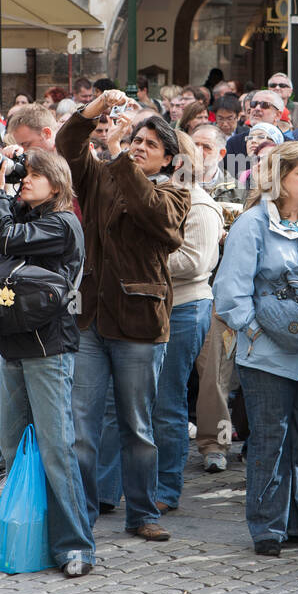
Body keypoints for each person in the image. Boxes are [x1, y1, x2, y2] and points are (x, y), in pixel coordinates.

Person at [57, 88, 191, 541]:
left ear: (169, 160)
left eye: (151, 145)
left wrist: (118, 156)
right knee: (82, 427)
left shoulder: (175, 195)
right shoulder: (100, 176)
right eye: (136, 139)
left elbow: (154, 218)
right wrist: (91, 112)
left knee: (137, 425)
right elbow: (67, 150)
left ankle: (142, 512)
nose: (139, 146)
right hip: (92, 319)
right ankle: (82, 511)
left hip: (139, 323)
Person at [214, 142, 298, 555]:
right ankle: (267, 528)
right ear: (278, 180)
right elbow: (230, 295)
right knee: (269, 442)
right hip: (267, 358)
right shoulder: (251, 225)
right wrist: (256, 334)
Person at [0, 144, 95, 573]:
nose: (24, 180)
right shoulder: (30, 215)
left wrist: (3, 189)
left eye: (33, 175)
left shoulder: (62, 224)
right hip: (14, 346)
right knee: (13, 446)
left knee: (56, 448)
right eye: (25, 175)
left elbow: (2, 236)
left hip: (49, 350)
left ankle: (76, 546)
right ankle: (35, 537)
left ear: (57, 183)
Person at [152, 133, 223, 512]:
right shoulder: (155, 196)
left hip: (184, 307)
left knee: (168, 401)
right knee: (144, 401)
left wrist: (140, 260)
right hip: (153, 306)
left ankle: (166, 488)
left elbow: (195, 263)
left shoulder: (200, 204)